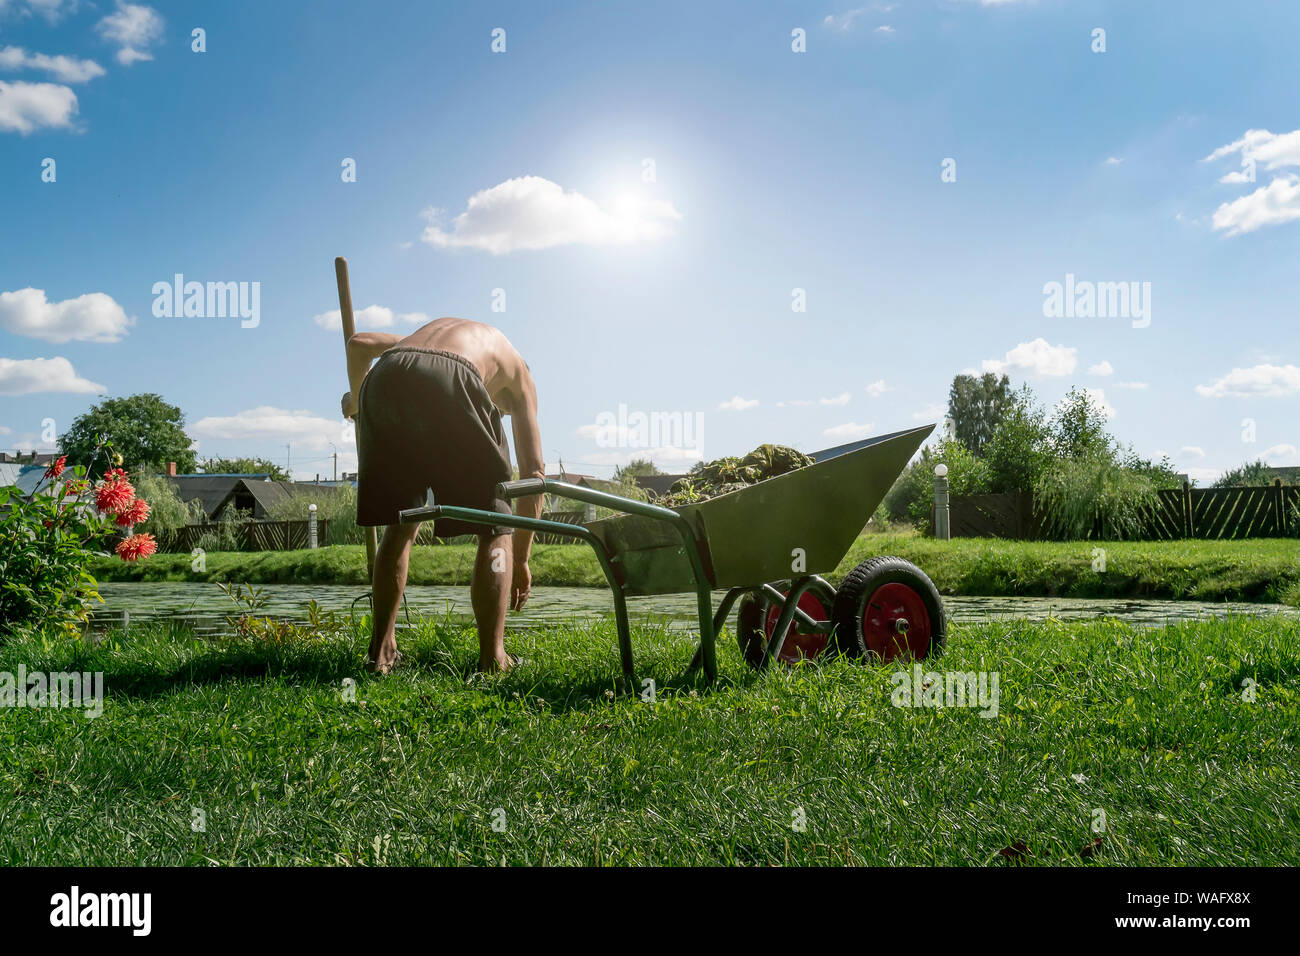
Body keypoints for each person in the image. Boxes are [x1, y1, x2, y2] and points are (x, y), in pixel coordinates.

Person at [341, 317, 544, 674]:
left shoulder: (440, 337)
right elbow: (534, 473)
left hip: (386, 376)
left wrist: (358, 401)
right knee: (495, 524)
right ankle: (493, 659)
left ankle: (381, 652)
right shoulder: (522, 375)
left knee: (401, 519)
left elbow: (360, 344)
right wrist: (523, 559)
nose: (498, 412)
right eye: (501, 410)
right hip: (453, 376)